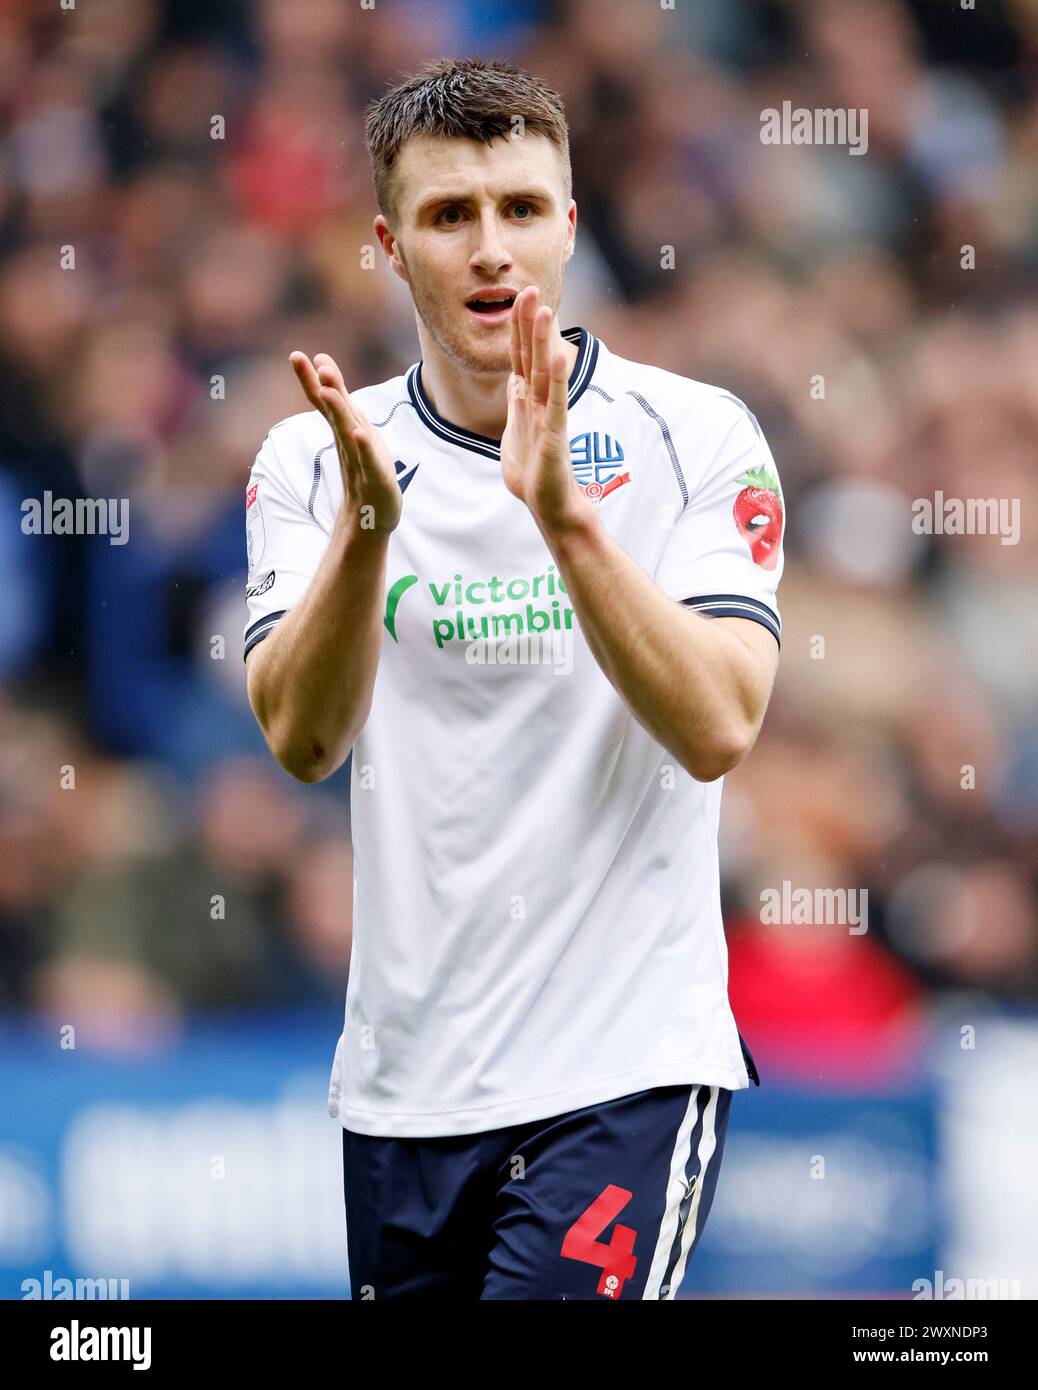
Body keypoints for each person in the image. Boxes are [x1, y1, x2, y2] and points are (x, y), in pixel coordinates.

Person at [243, 57, 783, 1301]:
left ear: (572, 226)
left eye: (522, 210)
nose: (493, 251)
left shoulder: (694, 435)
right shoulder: (318, 459)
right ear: (389, 243)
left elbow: (718, 725)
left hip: (624, 1070)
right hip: (405, 1086)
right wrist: (369, 532)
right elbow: (303, 739)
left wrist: (569, 526)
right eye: (450, 216)